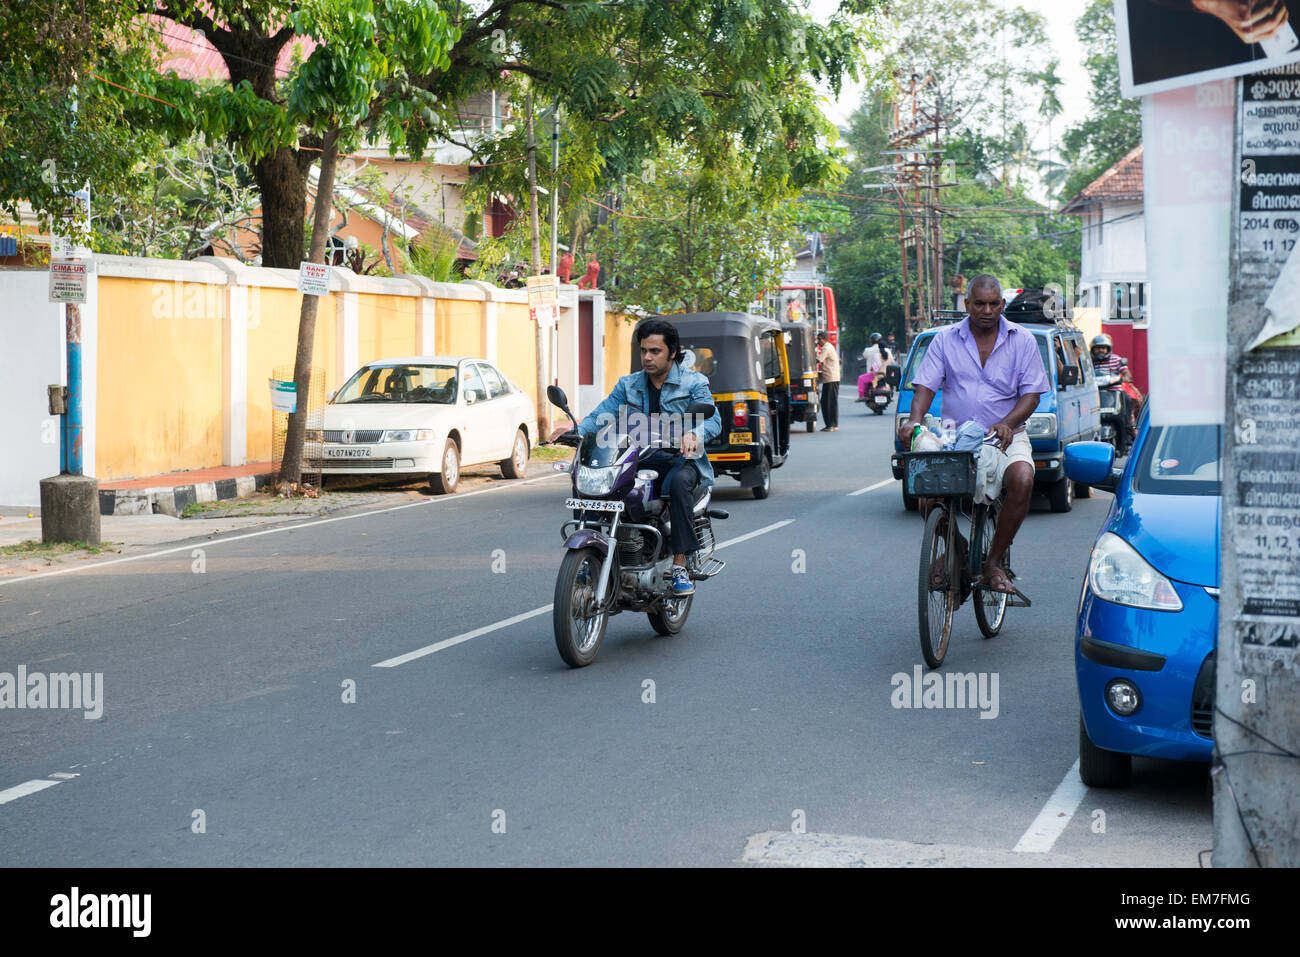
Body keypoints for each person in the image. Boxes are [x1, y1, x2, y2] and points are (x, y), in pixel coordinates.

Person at [896, 275, 1049, 594]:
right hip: (956, 436)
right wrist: (914, 420)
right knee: (926, 493)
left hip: (1007, 434)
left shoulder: (1022, 340)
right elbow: (925, 386)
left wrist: (1008, 422)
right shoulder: (944, 340)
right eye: (979, 303)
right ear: (967, 304)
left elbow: (1032, 394)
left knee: (1022, 479)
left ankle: (993, 562)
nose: (987, 310)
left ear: (1002, 305)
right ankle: (959, 549)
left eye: (994, 304)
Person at [575, 318, 722, 596]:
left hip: (681, 459)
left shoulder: (693, 382)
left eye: (655, 351)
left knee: (679, 483)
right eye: (644, 351)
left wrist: (694, 435)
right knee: (593, 480)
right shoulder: (628, 384)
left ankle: (679, 566)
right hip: (639, 456)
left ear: (673, 352)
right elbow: (600, 414)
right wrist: (575, 431)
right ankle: (590, 554)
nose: (647, 357)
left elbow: (713, 421)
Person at [815, 330, 840, 430]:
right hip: (830, 378)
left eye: (818, 340)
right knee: (831, 402)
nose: (818, 342)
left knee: (827, 402)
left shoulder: (826, 348)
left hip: (831, 378)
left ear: (821, 339)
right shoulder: (829, 346)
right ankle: (833, 424)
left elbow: (818, 360)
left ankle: (830, 425)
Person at [858, 332, 885, 401]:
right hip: (885, 374)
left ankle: (862, 396)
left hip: (875, 374)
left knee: (861, 378)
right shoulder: (887, 351)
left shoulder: (869, 350)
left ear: (871, 341)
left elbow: (877, 365)